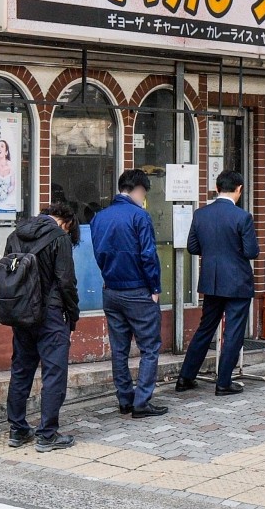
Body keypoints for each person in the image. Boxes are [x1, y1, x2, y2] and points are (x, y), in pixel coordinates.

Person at [176, 170, 261, 396]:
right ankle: (223, 382)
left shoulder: (200, 214)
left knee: (205, 328)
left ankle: (185, 377)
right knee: (233, 332)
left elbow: (193, 247)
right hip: (237, 282)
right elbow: (252, 252)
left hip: (211, 281)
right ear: (239, 189)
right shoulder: (243, 217)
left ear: (217, 187)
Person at [91, 169, 167, 418]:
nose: (143, 198)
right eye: (144, 193)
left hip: (111, 289)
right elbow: (148, 255)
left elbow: (99, 253)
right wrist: (155, 288)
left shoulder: (99, 217)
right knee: (150, 347)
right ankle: (141, 402)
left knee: (119, 349)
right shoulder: (139, 216)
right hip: (138, 290)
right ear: (138, 189)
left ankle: (125, 399)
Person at [4, 203, 80, 451]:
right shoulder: (59, 238)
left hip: (22, 313)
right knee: (54, 373)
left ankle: (17, 429)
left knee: (21, 370)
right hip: (51, 314)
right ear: (66, 223)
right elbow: (66, 281)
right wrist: (73, 314)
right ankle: (47, 434)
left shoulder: (15, 235)